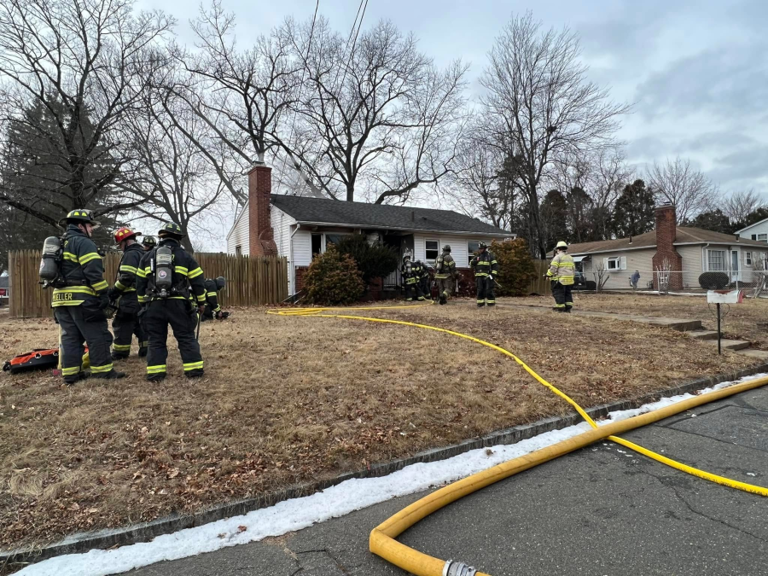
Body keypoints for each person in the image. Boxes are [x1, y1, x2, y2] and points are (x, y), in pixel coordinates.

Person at [52, 209, 125, 383]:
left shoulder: (60, 243)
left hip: (60, 299)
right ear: (80, 225)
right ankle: (103, 371)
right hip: (82, 299)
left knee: (70, 337)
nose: (91, 230)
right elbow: (93, 270)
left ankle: (71, 374)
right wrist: (103, 294)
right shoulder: (83, 242)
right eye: (90, 226)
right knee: (97, 334)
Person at [137, 222, 207, 381]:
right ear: (178, 239)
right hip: (178, 304)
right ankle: (194, 371)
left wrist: (143, 303)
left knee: (155, 340)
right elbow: (198, 282)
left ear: (161, 237)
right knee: (186, 337)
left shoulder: (147, 257)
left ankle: (156, 373)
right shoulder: (185, 257)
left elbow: (139, 284)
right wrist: (201, 303)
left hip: (154, 304)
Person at [109, 227, 149, 360]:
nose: (120, 248)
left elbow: (127, 277)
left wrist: (114, 292)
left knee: (122, 323)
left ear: (125, 242)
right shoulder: (144, 253)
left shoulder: (131, 254)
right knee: (140, 323)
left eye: (120, 245)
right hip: (143, 297)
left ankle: (120, 353)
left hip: (130, 297)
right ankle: (146, 349)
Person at [547, 241, 575, 312]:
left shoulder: (558, 257)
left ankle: (560, 307)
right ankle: (568, 307)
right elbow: (573, 269)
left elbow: (553, 268)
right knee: (567, 293)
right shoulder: (570, 257)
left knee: (558, 292)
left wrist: (548, 274)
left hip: (560, 280)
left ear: (558, 249)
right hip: (570, 280)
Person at [470, 242, 499, 307]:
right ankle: (480, 304)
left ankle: (491, 304)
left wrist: (492, 275)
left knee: (489, 290)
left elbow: (495, 266)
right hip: (479, 277)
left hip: (488, 276)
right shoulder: (477, 256)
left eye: (481, 248)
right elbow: (471, 263)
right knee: (480, 290)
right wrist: (476, 261)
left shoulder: (490, 256)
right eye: (479, 249)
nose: (480, 250)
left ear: (485, 249)